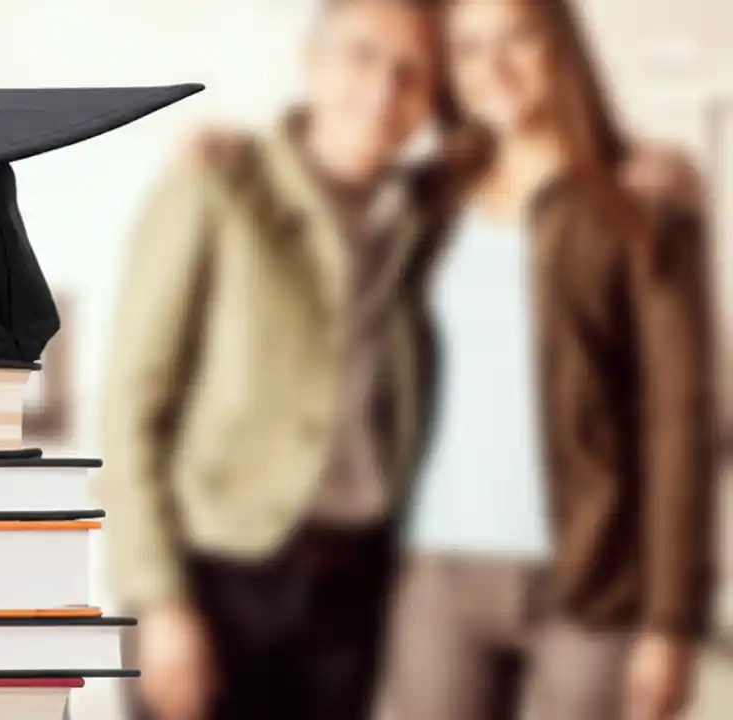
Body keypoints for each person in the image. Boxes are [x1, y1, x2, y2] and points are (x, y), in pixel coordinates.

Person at [97, 1, 440, 718]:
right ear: (312, 63)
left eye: (411, 72)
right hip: (214, 584)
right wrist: (158, 601)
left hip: (355, 597)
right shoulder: (217, 187)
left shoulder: (426, 219)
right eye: (362, 56)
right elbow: (131, 405)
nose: (384, 89)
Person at [386, 1, 716, 719]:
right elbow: (332, 175)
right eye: (470, 49)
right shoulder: (431, 197)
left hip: (591, 580)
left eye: (518, 39)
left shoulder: (642, 199)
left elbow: (678, 420)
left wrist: (672, 620)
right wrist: (227, 149)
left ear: (560, 45)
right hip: (436, 571)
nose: (494, 67)